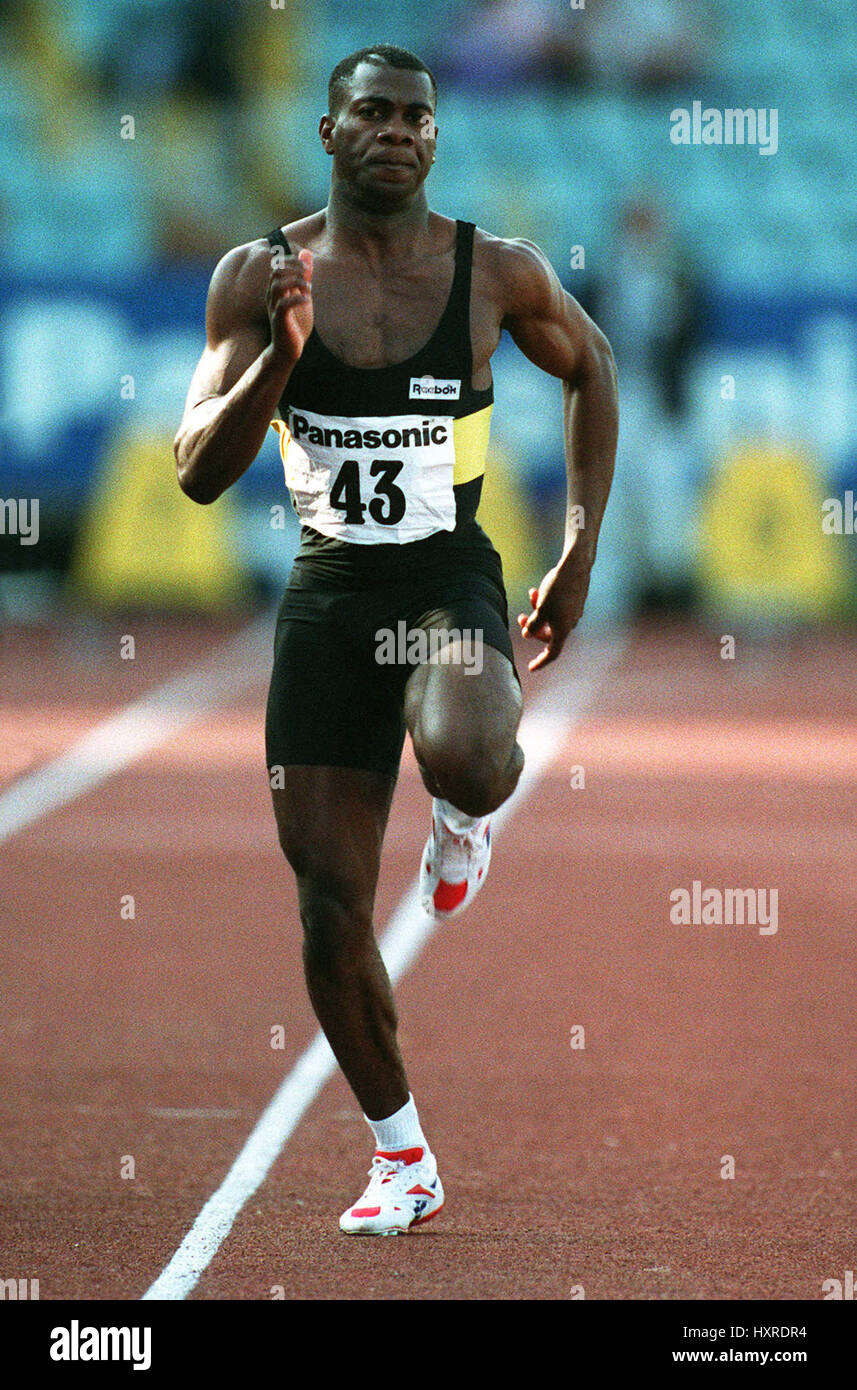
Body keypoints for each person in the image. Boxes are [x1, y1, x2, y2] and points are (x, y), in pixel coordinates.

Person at [174, 44, 618, 1235]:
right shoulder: (256, 275)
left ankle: (464, 815)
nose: (398, 133)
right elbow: (196, 473)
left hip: (443, 578)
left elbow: (595, 367)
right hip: (327, 597)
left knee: (469, 751)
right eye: (371, 113)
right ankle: (402, 1155)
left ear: (436, 138)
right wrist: (279, 356)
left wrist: (574, 551)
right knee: (327, 901)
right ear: (326, 133)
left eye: (417, 118)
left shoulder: (492, 272)